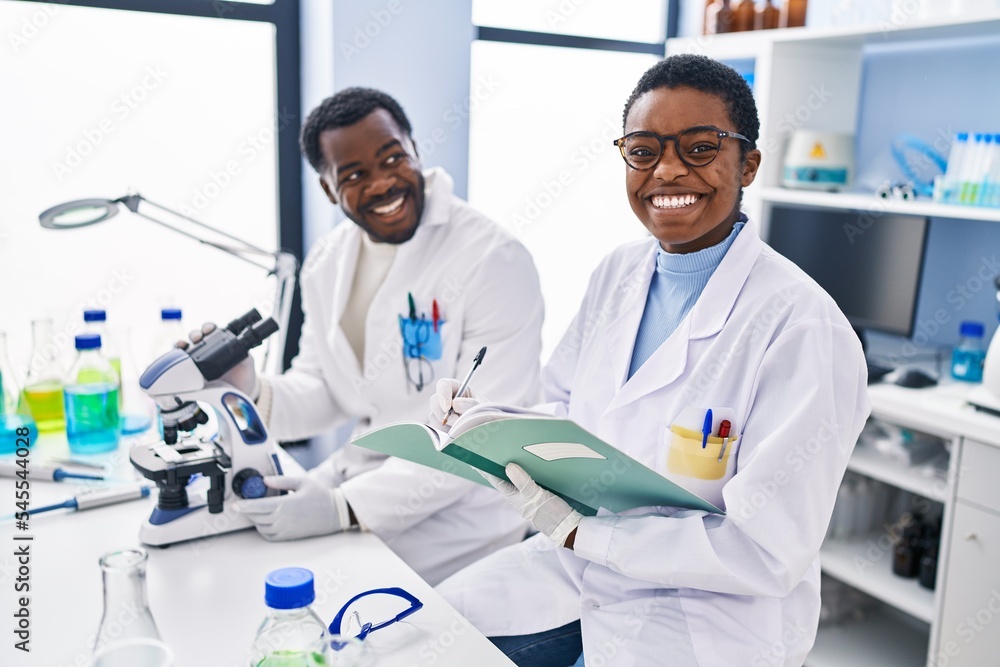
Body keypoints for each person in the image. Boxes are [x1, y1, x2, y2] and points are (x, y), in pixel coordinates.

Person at [430, 54, 871, 666]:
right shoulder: (618, 271)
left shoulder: (801, 327)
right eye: (643, 151)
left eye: (699, 148)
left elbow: (766, 549)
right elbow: (565, 405)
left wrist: (589, 533)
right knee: (421, 637)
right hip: (574, 569)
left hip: (706, 618)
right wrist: (489, 423)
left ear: (748, 163)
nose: (666, 170)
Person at [197, 87, 544, 586]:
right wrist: (251, 387)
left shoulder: (493, 257)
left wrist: (345, 508)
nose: (384, 183)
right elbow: (325, 388)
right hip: (362, 478)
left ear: (415, 150)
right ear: (327, 188)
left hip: (465, 516)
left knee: (338, 598)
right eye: (355, 174)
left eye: (393, 158)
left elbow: (484, 436)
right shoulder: (328, 260)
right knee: (248, 567)